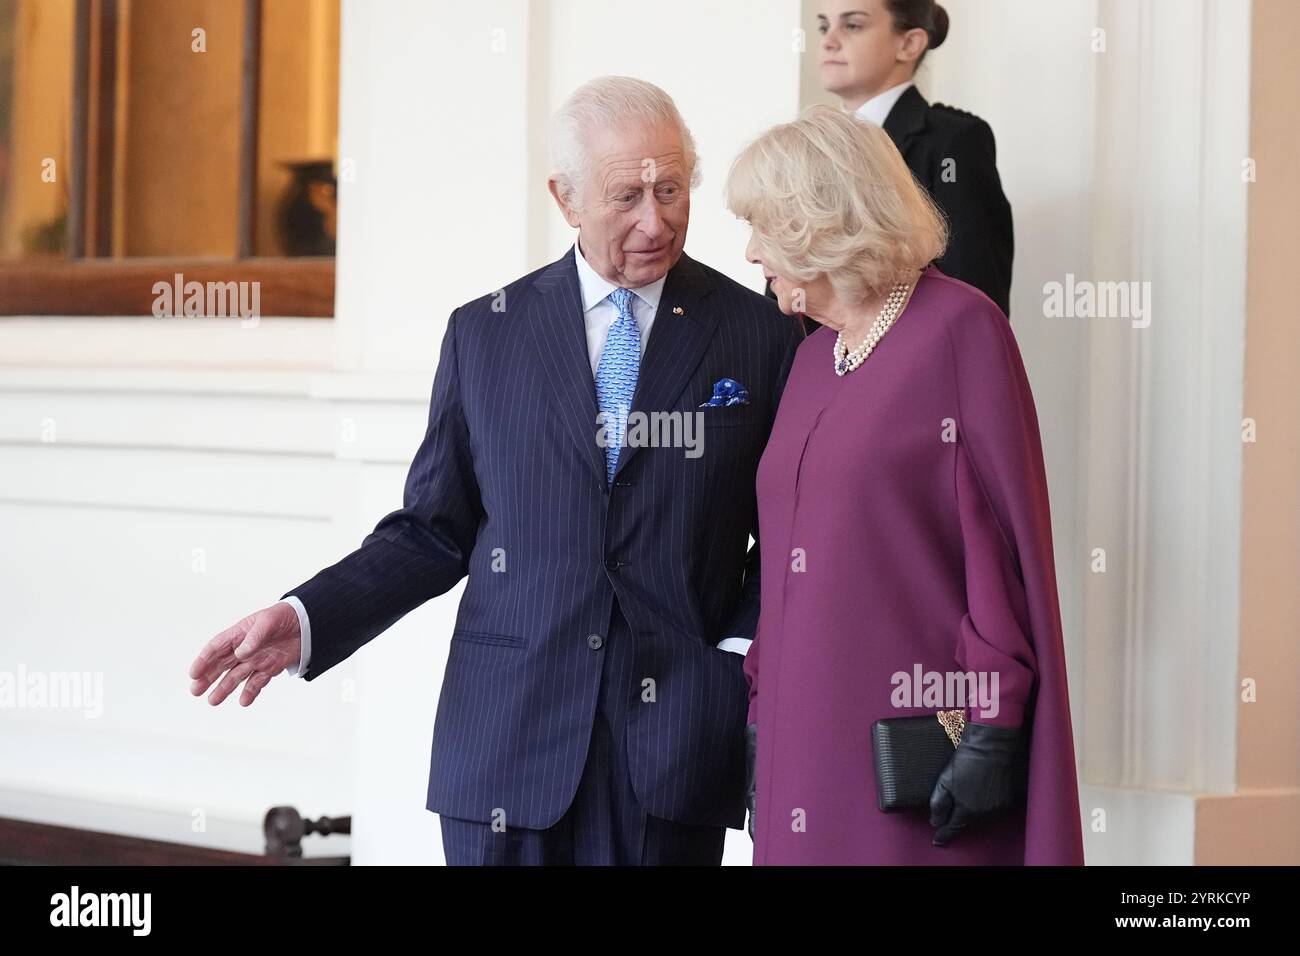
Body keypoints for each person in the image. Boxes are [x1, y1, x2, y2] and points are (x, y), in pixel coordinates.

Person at [188, 76, 801, 866]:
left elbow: (792, 532)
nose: (657, 221)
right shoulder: (486, 335)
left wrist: (728, 657)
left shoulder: (761, 334)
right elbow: (432, 533)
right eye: (627, 197)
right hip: (506, 746)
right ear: (566, 198)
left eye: (673, 189)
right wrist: (308, 617)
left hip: (671, 749)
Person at [727, 105, 1083, 864]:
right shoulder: (812, 359)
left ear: (819, 221)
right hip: (803, 746)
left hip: (915, 749)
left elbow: (997, 551)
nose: (752, 251)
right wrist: (761, 712)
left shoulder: (960, 329)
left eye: (764, 226)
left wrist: (992, 726)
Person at [778, 0, 1013, 329]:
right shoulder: (807, 146)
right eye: (823, 26)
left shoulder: (952, 141)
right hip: (806, 364)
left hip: (903, 369)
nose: (829, 40)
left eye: (853, 25)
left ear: (909, 43)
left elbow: (975, 300)